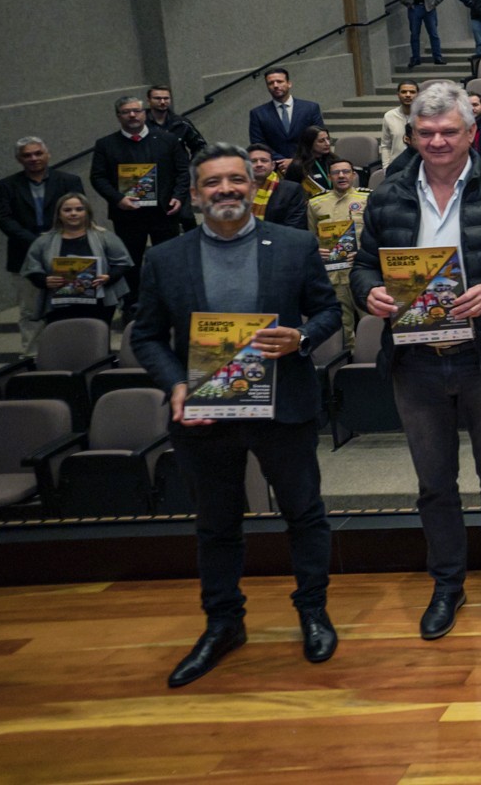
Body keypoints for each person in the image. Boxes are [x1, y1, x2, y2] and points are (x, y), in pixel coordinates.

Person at [131, 142, 343, 687]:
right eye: (212, 183)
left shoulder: (295, 245)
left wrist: (302, 337)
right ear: (195, 195)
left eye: (235, 180)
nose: (225, 190)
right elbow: (148, 336)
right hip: (204, 414)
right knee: (216, 525)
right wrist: (175, 383)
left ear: (253, 186)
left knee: (304, 514)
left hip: (284, 406)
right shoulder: (165, 258)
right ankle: (223, 622)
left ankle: (313, 611)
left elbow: (326, 311)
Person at [350, 82, 481, 642]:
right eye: (426, 132)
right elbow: (362, 267)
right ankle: (447, 583)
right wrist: (367, 293)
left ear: (471, 132)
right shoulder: (387, 194)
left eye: (449, 131)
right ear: (412, 135)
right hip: (415, 362)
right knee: (433, 481)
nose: (437, 141)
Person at [91, 96, 191, 312]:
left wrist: (179, 196)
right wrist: (118, 199)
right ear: (119, 116)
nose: (133, 115)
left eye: (136, 110)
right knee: (130, 261)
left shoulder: (167, 139)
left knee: (168, 260)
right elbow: (97, 177)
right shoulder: (106, 145)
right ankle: (133, 304)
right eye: (126, 112)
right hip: (127, 214)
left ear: (144, 113)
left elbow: (183, 172)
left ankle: (171, 300)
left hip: (164, 212)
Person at [0, 137, 86, 352]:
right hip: (25, 255)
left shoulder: (69, 181)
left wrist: (56, 238)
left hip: (66, 252)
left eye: (38, 153)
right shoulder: (8, 185)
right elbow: (4, 220)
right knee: (31, 311)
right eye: (27, 155)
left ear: (48, 155)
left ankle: (73, 353)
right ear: (19, 159)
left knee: (71, 307)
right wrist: (37, 242)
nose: (33, 158)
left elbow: (80, 213)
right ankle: (32, 356)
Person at [19, 191, 131, 328]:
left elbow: (123, 263)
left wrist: (108, 277)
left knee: (97, 344)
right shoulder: (43, 241)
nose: (73, 213)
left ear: (87, 212)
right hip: (59, 305)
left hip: (99, 303)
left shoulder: (105, 237)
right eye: (67, 210)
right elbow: (32, 268)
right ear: (59, 214)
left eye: (79, 209)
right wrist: (43, 280)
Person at [308, 158, 370, 345]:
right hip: (333, 273)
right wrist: (317, 250)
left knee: (371, 321)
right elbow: (311, 237)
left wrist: (364, 253)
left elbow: (378, 235)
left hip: (361, 270)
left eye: (345, 171)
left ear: (353, 175)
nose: (341, 176)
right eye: (336, 173)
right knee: (342, 326)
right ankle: (346, 366)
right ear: (329, 177)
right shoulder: (316, 203)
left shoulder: (367, 198)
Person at [247, 68, 325, 160]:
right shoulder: (258, 113)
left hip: (307, 163)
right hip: (276, 167)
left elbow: (319, 138)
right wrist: (281, 161)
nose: (275, 85)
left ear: (289, 84)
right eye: (271, 83)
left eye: (279, 81)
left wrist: (296, 161)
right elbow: (258, 144)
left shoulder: (310, 108)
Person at [145, 85, 208, 162]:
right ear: (148, 100)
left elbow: (200, 146)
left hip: (179, 170)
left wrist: (192, 167)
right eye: (157, 98)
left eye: (166, 98)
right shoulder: (140, 123)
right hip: (148, 170)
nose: (162, 102)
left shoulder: (181, 123)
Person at [283, 125, 336, 195]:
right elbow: (289, 192)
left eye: (328, 139)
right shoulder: (298, 166)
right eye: (321, 141)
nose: (327, 143)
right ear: (309, 143)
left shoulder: (334, 161)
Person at [381, 81, 418, 170]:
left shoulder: (424, 116)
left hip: (418, 165)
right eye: (404, 92)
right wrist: (386, 168)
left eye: (412, 92)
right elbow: (386, 145)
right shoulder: (389, 116)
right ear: (398, 94)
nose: (408, 95)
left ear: (418, 95)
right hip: (396, 167)